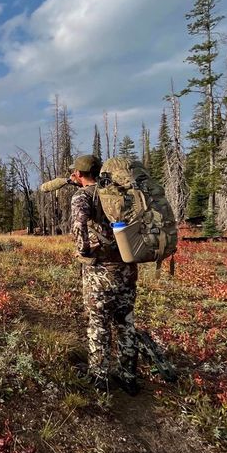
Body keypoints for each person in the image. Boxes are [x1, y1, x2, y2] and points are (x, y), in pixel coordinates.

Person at [68, 154, 140, 396]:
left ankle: (99, 377)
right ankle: (128, 376)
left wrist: (84, 253)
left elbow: (79, 227)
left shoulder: (82, 196)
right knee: (125, 322)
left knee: (99, 323)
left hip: (100, 271)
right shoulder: (120, 193)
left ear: (78, 174)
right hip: (128, 268)